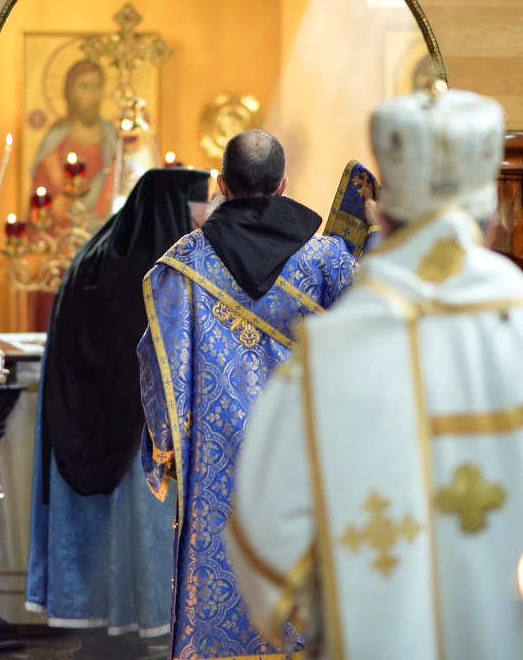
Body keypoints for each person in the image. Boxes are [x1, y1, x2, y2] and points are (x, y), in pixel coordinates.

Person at [226, 89, 523, 660]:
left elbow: (263, 544)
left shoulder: (319, 364)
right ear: (491, 220)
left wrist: (340, 626)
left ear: (380, 215)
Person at [137, 129, 373, 660]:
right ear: (284, 185)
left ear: (221, 184)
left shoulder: (183, 265)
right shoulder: (327, 260)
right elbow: (370, 339)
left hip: (216, 463)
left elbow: (158, 360)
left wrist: (165, 448)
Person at [26, 167, 210, 659]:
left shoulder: (96, 249)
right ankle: (137, 630)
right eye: (198, 208)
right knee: (134, 529)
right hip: (134, 431)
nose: (204, 218)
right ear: (174, 209)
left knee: (106, 534)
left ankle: (101, 630)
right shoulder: (153, 265)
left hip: (85, 418)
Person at [32, 59, 118, 232]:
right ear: (71, 92)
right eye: (84, 87)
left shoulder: (114, 137)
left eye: (97, 86)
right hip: (63, 237)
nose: (93, 95)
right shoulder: (55, 142)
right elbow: (41, 202)